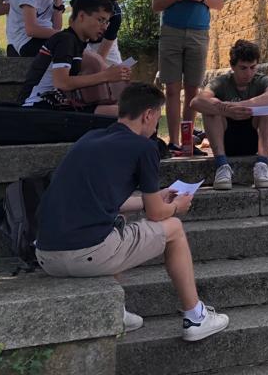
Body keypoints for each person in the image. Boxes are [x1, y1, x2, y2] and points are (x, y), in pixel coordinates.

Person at [34, 82, 229, 342]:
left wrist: (155, 198)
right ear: (148, 115)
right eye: (156, 117)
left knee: (118, 221)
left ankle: (115, 310)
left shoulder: (90, 139)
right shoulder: (144, 148)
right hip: (86, 255)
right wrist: (175, 206)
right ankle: (196, 317)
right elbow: (159, 216)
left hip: (46, 255)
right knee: (174, 229)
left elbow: (103, 201)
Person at [153, 0, 224, 154]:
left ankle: (187, 141)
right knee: (172, 89)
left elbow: (220, 2)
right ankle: (173, 141)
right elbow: (156, 5)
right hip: (171, 32)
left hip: (198, 33)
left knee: (192, 91)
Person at [17, 0, 131, 115]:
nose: (104, 27)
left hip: (57, 106)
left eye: (107, 22)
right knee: (126, 115)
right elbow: (62, 82)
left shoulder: (77, 43)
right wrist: (106, 76)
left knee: (126, 112)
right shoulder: (66, 40)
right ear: (81, 16)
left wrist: (115, 74)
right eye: (100, 20)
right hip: (37, 106)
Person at [190, 39, 268, 190]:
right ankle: (221, 166)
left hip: (253, 137)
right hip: (226, 138)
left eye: (253, 67)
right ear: (233, 66)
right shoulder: (221, 82)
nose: (249, 73)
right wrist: (225, 110)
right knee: (211, 107)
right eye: (243, 68)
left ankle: (262, 165)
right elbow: (196, 102)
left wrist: (238, 105)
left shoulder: (261, 80)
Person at [72, 0, 124, 66]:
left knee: (110, 71)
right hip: (80, 37)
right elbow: (74, 21)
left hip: (102, 43)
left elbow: (102, 55)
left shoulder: (115, 15)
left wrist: (98, 64)